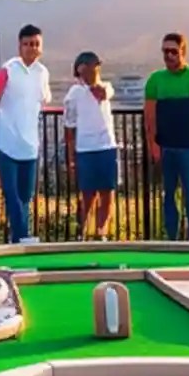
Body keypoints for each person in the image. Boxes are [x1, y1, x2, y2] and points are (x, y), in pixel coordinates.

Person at [0, 24, 51, 243]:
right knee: (12, 195)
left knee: (25, 196)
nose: (32, 48)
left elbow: (43, 100)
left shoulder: (42, 72)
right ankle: (23, 237)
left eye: (36, 44)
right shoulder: (7, 70)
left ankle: (17, 239)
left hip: (30, 145)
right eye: (27, 44)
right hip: (6, 142)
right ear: (19, 46)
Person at [144, 32, 189, 241]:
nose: (168, 55)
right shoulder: (155, 81)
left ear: (183, 52)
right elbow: (149, 117)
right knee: (168, 195)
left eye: (173, 51)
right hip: (166, 147)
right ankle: (171, 238)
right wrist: (153, 146)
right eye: (165, 51)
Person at [62, 51, 118, 240]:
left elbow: (102, 93)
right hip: (85, 149)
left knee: (107, 192)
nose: (95, 69)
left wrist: (93, 81)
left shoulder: (105, 87)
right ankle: (82, 231)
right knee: (87, 194)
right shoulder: (74, 94)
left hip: (106, 146)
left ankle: (102, 232)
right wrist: (71, 158)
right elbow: (69, 128)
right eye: (91, 65)